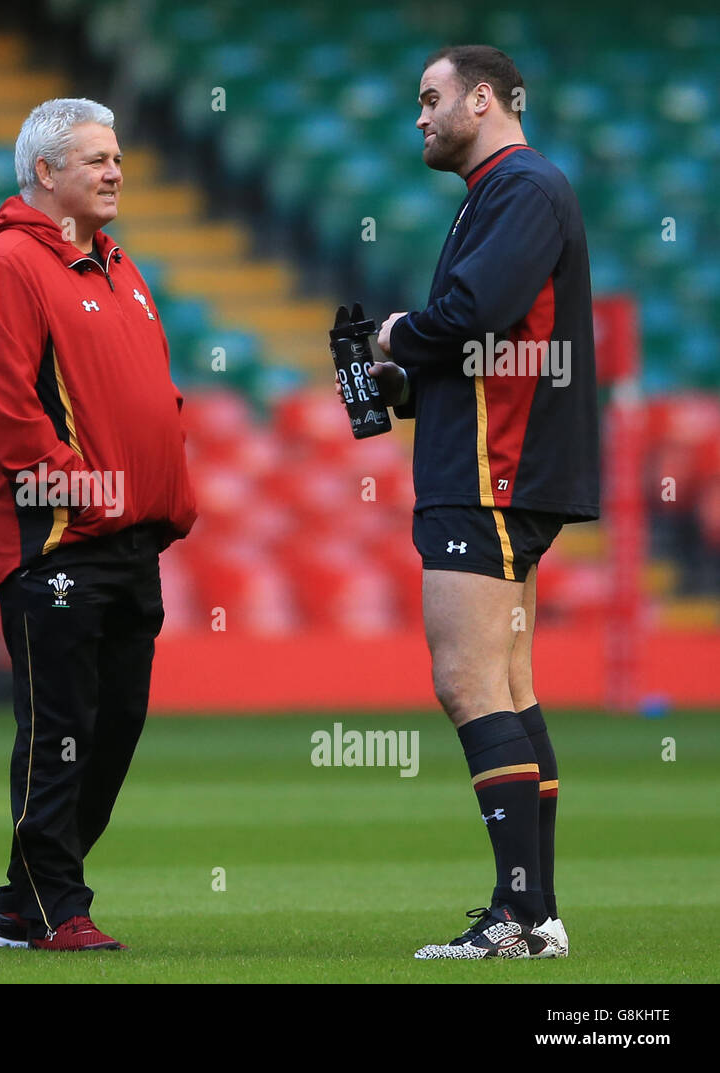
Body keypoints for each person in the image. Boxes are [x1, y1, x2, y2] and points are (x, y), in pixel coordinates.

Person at [362, 46, 599, 958]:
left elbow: (473, 314)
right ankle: (536, 917)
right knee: (509, 685)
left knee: (467, 682)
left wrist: (393, 331)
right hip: (497, 461)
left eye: (430, 99)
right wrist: (405, 384)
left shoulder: (521, 187)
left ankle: (516, 916)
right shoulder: (511, 191)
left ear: (484, 98)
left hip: (489, 473)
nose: (419, 118)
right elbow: (489, 342)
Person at [0, 98, 197, 951]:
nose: (115, 170)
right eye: (95, 158)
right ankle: (60, 904)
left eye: (118, 155)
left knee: (114, 729)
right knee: (58, 730)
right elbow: (6, 411)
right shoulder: (8, 265)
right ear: (45, 173)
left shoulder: (119, 265)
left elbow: (153, 396)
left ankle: (20, 905)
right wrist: (85, 494)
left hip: (131, 538)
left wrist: (172, 490)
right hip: (56, 539)